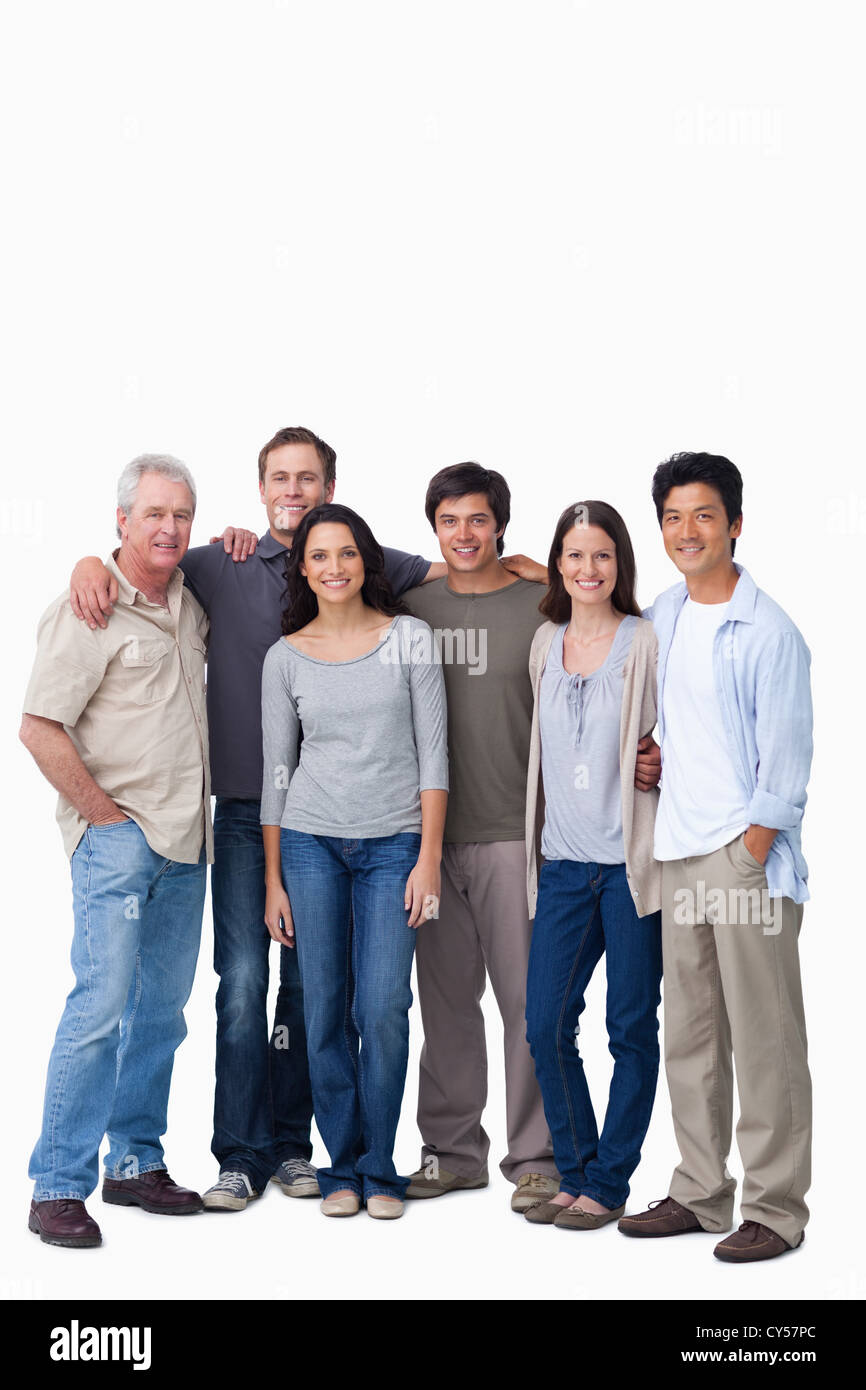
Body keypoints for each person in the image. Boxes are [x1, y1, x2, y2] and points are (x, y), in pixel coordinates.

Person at [65, 426, 445, 1212]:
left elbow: (458, 570)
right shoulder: (218, 560)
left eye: (308, 478)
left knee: (313, 991)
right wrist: (84, 566)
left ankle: (296, 1146)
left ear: (329, 490)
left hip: (334, 823)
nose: (294, 491)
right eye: (280, 477)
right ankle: (239, 1151)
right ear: (261, 486)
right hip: (243, 816)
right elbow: (140, 555)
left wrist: (554, 571)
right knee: (240, 984)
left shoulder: (357, 559)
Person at [619, 452, 813, 1263]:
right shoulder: (661, 614)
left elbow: (788, 754)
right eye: (672, 516)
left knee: (763, 1037)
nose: (686, 531)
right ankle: (701, 1192)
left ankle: (775, 1207)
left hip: (742, 860)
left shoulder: (768, 630)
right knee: (692, 1034)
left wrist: (754, 847)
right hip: (679, 852)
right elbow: (675, 724)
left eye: (703, 515)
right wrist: (652, 755)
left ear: (735, 523)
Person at [21, 455, 211, 1248]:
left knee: (160, 1016)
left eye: (182, 516)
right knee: (98, 1010)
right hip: (119, 843)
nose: (168, 528)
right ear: (122, 523)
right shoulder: (88, 606)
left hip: (187, 843)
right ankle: (57, 1185)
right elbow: (37, 725)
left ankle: (133, 1162)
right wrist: (104, 819)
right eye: (154, 514)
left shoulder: (193, 603)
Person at [261, 503, 448, 1218]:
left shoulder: (410, 638)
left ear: (365, 561)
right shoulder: (285, 657)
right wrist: (273, 877)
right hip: (309, 843)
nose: (333, 567)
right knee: (324, 1010)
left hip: (395, 844)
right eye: (319, 556)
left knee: (384, 1006)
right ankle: (341, 1166)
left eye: (346, 554)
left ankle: (381, 1164)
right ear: (302, 568)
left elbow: (435, 755)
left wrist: (427, 858)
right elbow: (279, 771)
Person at [521, 501, 662, 1229]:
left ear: (621, 564)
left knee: (630, 1029)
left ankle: (609, 1183)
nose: (587, 569)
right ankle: (573, 1174)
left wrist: (663, 759)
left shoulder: (645, 641)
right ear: (556, 564)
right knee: (544, 1024)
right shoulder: (544, 643)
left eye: (601, 555)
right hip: (565, 868)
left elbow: (687, 726)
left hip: (631, 868)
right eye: (574, 555)